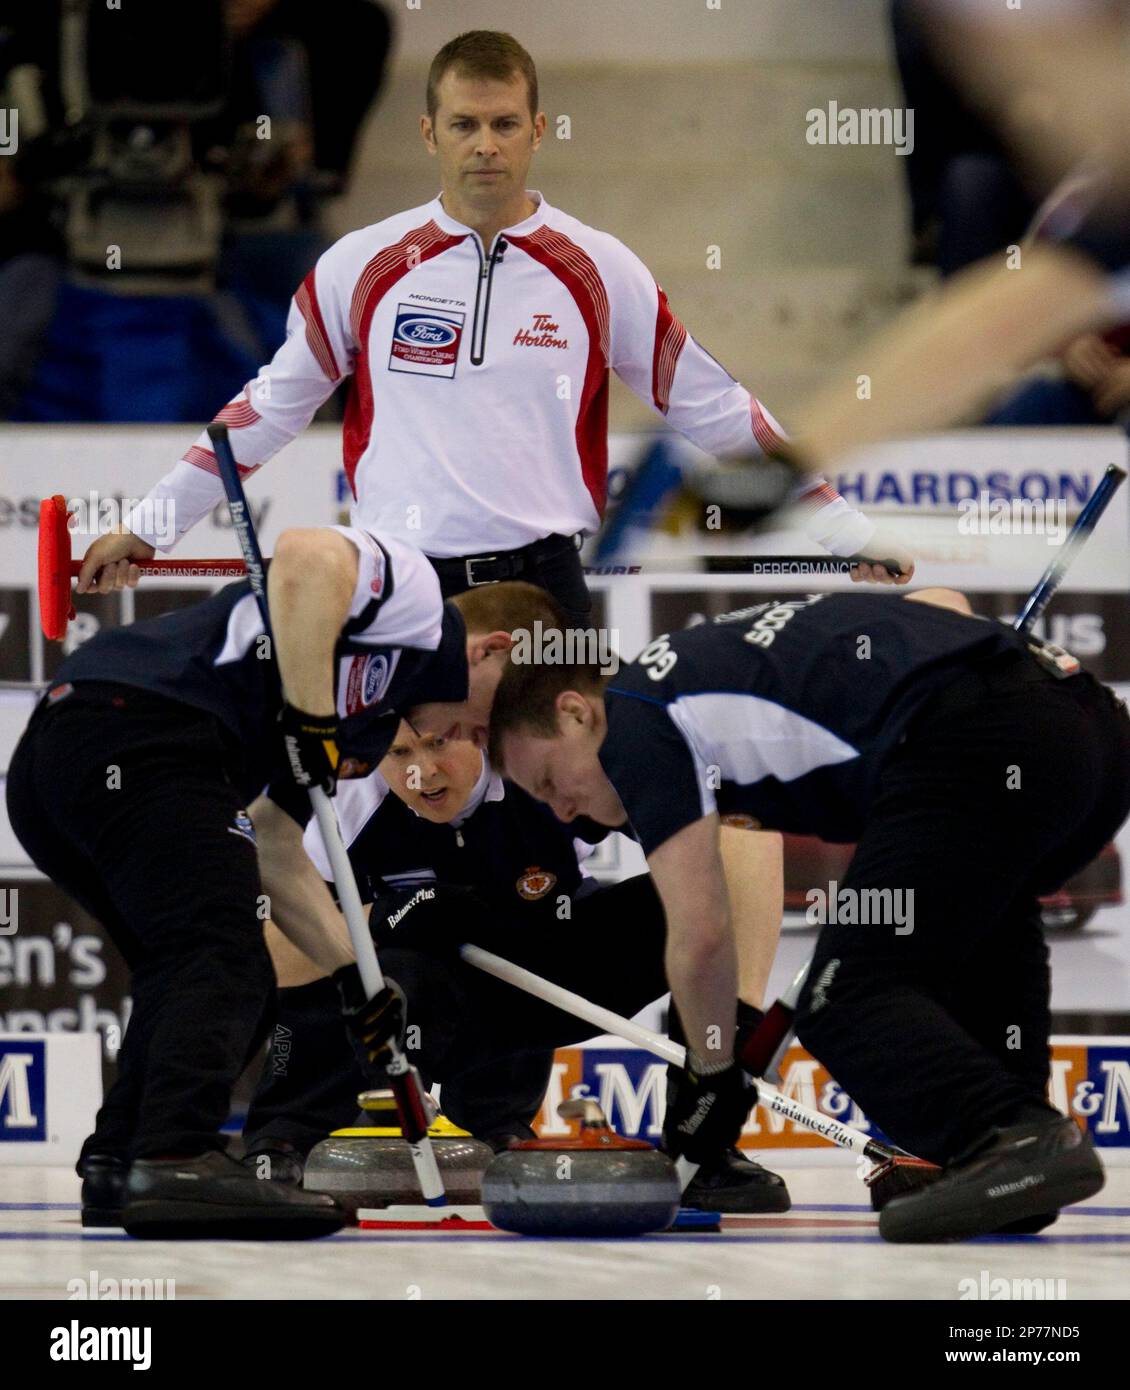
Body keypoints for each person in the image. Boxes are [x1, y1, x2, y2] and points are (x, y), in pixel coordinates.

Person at [75, 28, 912, 606]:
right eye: (466, 124)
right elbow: (264, 412)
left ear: (538, 130)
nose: (486, 144)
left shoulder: (600, 267)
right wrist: (149, 527)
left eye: (505, 124)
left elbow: (719, 409)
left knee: (562, 832)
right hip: (396, 583)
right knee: (401, 812)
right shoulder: (359, 265)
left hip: (544, 587)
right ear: (429, 130)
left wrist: (843, 529)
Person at [482, 587, 1130, 1242]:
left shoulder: (633, 714)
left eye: (547, 783)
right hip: (1090, 731)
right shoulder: (693, 674)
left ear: (574, 715)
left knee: (842, 997)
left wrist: (711, 1075)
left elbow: (702, 931)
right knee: (989, 929)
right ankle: (1008, 1156)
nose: (562, 813)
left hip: (986, 731)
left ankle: (1016, 1138)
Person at [3, 523, 544, 1236]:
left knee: (198, 963)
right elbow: (305, 553)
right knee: (216, 951)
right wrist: (314, 714)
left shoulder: (373, 726)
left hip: (66, 756)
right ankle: (176, 1155)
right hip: (138, 724)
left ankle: (122, 1161)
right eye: (486, 723)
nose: (476, 741)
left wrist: (357, 979)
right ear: (490, 650)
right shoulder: (415, 604)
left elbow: (279, 850)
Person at [244, 719, 791, 1212]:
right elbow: (273, 942)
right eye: (399, 753)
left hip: (539, 970)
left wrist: (739, 1023)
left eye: (438, 743)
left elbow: (733, 844)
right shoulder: (345, 794)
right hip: (416, 990)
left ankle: (701, 1144)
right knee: (359, 963)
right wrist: (387, 915)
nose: (421, 772)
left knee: (695, 901)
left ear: (478, 729)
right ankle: (286, 1138)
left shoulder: (545, 771)